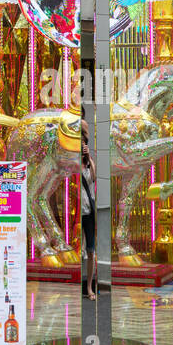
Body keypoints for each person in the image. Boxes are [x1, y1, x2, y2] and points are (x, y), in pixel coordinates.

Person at [80, 119, 96, 301]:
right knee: (79, 250)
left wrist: (89, 157)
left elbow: (93, 179)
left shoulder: (89, 162)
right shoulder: (72, 162)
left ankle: (90, 287)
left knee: (91, 249)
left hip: (89, 211)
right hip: (77, 213)